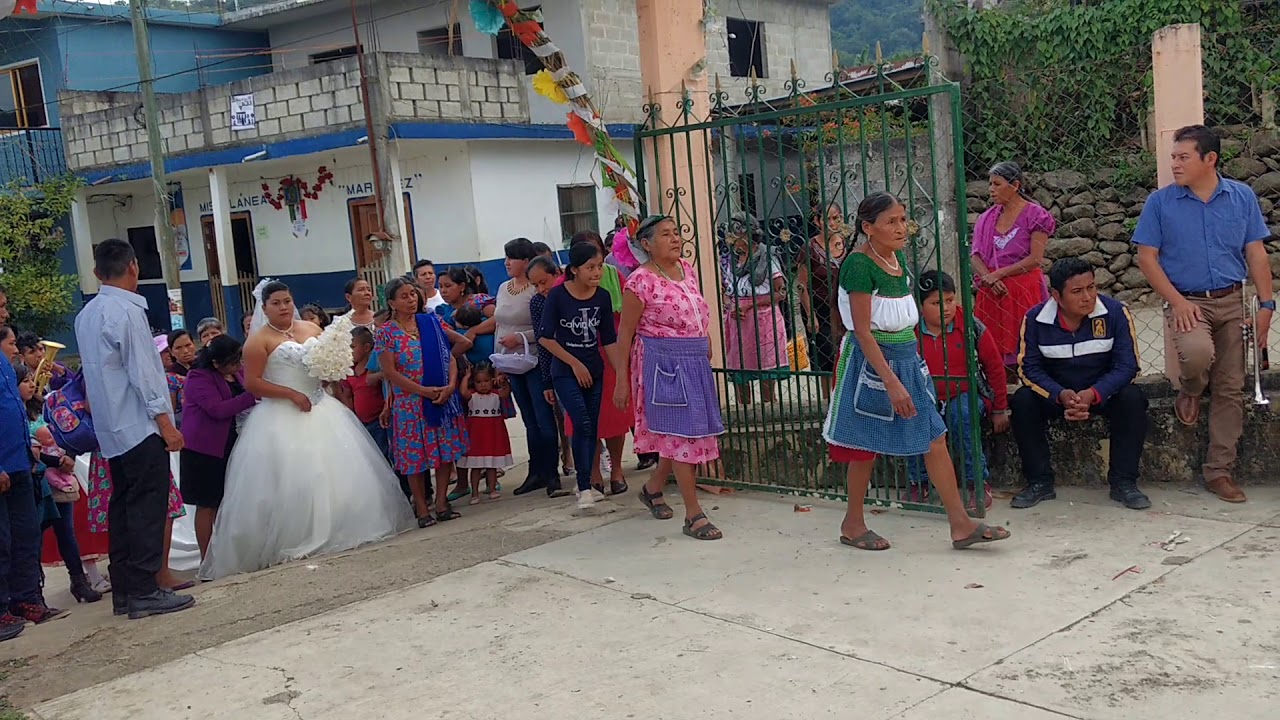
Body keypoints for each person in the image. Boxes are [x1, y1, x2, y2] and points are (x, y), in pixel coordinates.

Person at [822, 192, 1011, 551]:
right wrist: (891, 382)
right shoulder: (859, 266)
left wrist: (909, 370)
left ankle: (959, 524)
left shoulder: (897, 260)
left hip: (906, 361)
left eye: (902, 219)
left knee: (933, 437)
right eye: (891, 221)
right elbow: (863, 331)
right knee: (863, 445)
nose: (901, 227)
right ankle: (853, 523)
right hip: (872, 364)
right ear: (867, 227)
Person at [199, 280, 414, 578]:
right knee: (297, 474)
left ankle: (343, 524)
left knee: (336, 470)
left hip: (321, 406)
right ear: (265, 308)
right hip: (281, 413)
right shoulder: (257, 341)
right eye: (276, 303)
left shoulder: (311, 330)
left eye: (287, 301)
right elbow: (252, 382)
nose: (284, 307)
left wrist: (328, 377)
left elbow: (326, 361)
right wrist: (290, 394)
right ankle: (296, 534)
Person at [1134, 124, 1274, 504]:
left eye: (1183, 157)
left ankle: (1219, 471)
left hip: (1233, 300)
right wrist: (1178, 302)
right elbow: (1146, 258)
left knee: (1231, 386)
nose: (1175, 164)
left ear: (1209, 159)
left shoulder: (1241, 197)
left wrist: (1267, 305)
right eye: (1173, 157)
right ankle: (1191, 389)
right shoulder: (1160, 203)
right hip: (1187, 301)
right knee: (1197, 355)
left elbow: (1256, 253)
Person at [75, 238, 195, 619]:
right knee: (146, 506)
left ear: (97, 273)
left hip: (111, 428)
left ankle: (125, 589)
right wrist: (166, 425)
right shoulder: (126, 312)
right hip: (139, 425)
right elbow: (145, 375)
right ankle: (144, 588)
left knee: (123, 506)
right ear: (133, 268)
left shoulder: (87, 315)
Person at [612, 216, 726, 540]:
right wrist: (622, 379)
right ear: (646, 244)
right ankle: (694, 515)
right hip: (662, 365)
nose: (675, 239)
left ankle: (652, 488)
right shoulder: (639, 281)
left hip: (692, 360)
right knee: (680, 435)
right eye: (666, 234)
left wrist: (706, 343)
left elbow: (697, 312)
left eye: (676, 233)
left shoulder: (686, 269)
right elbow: (625, 334)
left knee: (679, 434)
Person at [1011, 258, 1150, 509]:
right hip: (1058, 396)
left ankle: (1124, 483)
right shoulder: (1035, 319)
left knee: (1132, 398)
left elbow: (1127, 366)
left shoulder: (1115, 313)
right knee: (1023, 401)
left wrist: (1094, 393)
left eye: (1092, 287)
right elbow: (1028, 369)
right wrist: (1060, 394)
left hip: (1101, 394)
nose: (1088, 297)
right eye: (1077, 291)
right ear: (1056, 295)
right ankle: (1039, 482)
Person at [906, 270, 1009, 511]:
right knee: (914, 415)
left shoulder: (971, 326)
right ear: (920, 306)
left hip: (964, 393)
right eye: (936, 303)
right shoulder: (909, 331)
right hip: (925, 395)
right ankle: (918, 481)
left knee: (961, 415)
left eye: (950, 301)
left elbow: (994, 367)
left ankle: (977, 483)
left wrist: (1000, 407)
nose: (946, 309)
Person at [377, 277, 469, 527]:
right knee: (414, 458)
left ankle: (441, 503)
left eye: (413, 294)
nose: (411, 299)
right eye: (404, 296)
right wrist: (423, 391)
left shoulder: (430, 322)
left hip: (441, 396)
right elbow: (390, 373)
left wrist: (450, 386)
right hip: (409, 404)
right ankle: (421, 508)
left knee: (443, 451)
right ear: (392, 303)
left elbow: (447, 355)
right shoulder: (386, 332)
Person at [539, 242, 618, 512]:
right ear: (574, 270)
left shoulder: (603, 297)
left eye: (599, 267)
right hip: (565, 371)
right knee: (581, 422)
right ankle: (584, 485)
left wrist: (620, 373)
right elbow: (546, 339)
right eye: (590, 268)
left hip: (594, 370)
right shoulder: (558, 296)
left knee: (592, 427)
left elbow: (608, 339)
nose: (596, 273)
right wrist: (574, 364)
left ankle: (588, 484)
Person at [2, 329, 67, 639]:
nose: (16, 348)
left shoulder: (7, 367)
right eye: (12, 343)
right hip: (4, 468)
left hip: (22, 466)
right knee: (3, 541)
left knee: (27, 536)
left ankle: (28, 599)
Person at [18, 363, 101, 604]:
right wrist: (56, 460)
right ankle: (33, 593)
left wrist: (67, 457)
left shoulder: (41, 409)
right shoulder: (17, 416)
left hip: (55, 477)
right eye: (25, 381)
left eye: (32, 380)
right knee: (33, 537)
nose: (32, 384)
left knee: (67, 531)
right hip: (38, 478)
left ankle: (79, 580)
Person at [970, 162, 1055, 370]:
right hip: (993, 294)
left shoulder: (1035, 215)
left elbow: (1035, 258)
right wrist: (989, 279)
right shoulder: (986, 218)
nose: (991, 189)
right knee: (994, 360)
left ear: (1015, 185)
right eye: (990, 184)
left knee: (1027, 354)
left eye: (997, 184)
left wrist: (998, 274)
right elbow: (975, 255)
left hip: (1023, 293)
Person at [179, 334, 258, 560]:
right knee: (207, 504)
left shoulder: (237, 373)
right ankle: (207, 558)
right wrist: (253, 396)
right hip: (203, 450)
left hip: (232, 444)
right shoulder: (198, 378)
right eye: (232, 362)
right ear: (216, 363)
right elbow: (217, 409)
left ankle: (230, 552)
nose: (238, 366)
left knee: (230, 500)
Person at [567, 231, 632, 496]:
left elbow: (629, 312)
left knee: (615, 416)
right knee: (584, 419)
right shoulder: (564, 287)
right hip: (578, 359)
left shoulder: (614, 277)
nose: (595, 266)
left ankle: (616, 470)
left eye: (598, 255)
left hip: (611, 355)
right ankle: (594, 472)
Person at [722, 212, 789, 404]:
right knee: (740, 375)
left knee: (767, 377)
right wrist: (729, 304)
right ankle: (744, 417)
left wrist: (751, 304)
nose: (733, 241)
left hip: (763, 320)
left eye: (737, 236)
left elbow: (781, 292)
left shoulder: (767, 258)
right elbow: (727, 290)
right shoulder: (731, 261)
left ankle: (772, 419)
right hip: (738, 322)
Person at [525, 256, 571, 498]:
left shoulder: (572, 293)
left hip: (585, 363)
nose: (541, 289)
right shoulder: (537, 303)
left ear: (557, 273)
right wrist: (546, 381)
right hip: (558, 369)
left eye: (544, 282)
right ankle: (556, 477)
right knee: (566, 422)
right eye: (535, 285)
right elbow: (543, 344)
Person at [795, 202, 848, 391]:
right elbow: (802, 285)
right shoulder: (809, 248)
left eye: (836, 218)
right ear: (818, 221)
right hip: (819, 309)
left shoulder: (847, 244)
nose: (832, 223)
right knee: (825, 358)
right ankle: (827, 401)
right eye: (827, 219)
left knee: (845, 355)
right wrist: (810, 315)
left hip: (843, 309)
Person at [458, 362, 512, 505]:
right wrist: (466, 377)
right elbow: (463, 392)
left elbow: (505, 393)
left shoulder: (496, 395)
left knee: (491, 464)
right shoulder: (472, 396)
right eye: (478, 382)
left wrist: (503, 381)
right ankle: (475, 492)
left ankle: (492, 488)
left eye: (487, 381)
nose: (483, 385)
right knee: (475, 465)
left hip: (493, 433)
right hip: (477, 435)